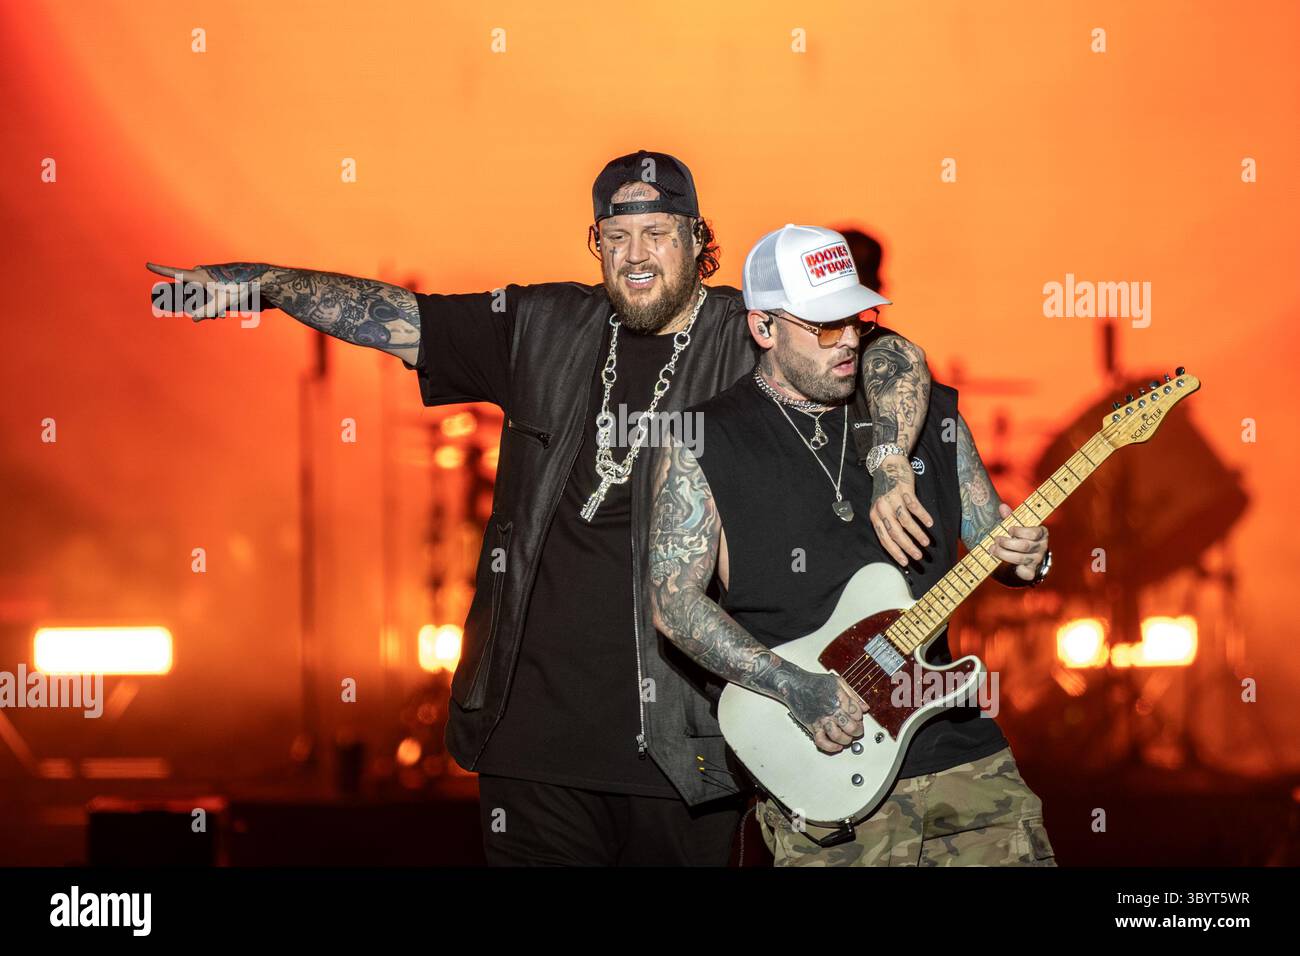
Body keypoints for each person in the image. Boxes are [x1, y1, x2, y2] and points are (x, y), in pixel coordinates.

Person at [145, 154, 934, 866]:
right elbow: (400, 317)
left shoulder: (751, 332)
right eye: (614, 237)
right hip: (529, 749)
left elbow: (890, 351)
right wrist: (267, 285)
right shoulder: (541, 325)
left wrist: (890, 455)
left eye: (657, 234)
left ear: (698, 241)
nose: (634, 256)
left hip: (687, 750)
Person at [646, 224, 1057, 866]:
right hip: (823, 774)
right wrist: (795, 689)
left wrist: (1031, 557)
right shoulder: (706, 441)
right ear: (764, 329)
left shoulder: (925, 414)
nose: (848, 342)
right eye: (822, 325)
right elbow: (673, 605)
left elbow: (990, 537)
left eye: (854, 319)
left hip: (960, 756)